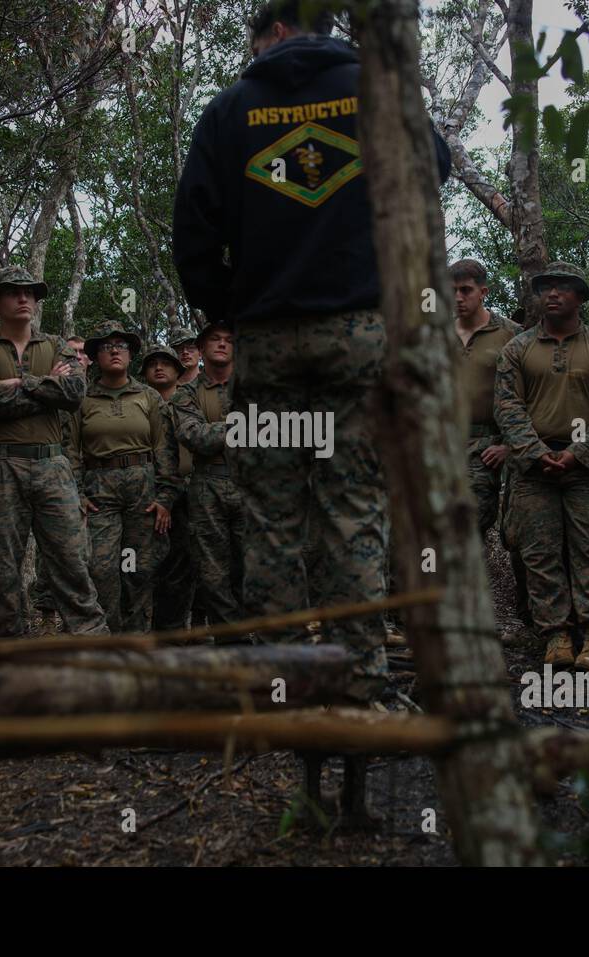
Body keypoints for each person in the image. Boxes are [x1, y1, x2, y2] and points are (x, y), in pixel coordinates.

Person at [172, 0, 450, 694]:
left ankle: (282, 682)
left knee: (270, 512)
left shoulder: (230, 109)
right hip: (358, 331)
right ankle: (361, 681)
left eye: (254, 38)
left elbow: (193, 232)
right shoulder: (375, 89)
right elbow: (432, 169)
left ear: (274, 34)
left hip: (265, 339)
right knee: (351, 504)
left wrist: (229, 308)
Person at [0, 265, 107, 638]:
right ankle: (9, 648)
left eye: (30, 292)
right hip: (0, 464)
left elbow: (74, 394)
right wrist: (47, 386)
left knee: (71, 559)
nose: (24, 298)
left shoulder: (57, 344)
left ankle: (90, 640)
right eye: (13, 291)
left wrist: (19, 383)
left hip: (51, 464)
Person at [495, 262, 589, 672]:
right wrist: (534, 452)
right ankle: (555, 634)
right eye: (546, 287)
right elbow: (506, 405)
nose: (552, 293)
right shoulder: (516, 349)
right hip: (533, 468)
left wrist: (580, 452)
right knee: (539, 552)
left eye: (563, 287)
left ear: (580, 297)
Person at [72, 321, 178, 632]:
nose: (114, 350)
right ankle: (110, 639)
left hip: (142, 497)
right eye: (106, 346)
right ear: (95, 356)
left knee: (138, 570)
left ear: (130, 355)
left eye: (121, 346)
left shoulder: (148, 397)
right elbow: (70, 450)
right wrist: (77, 494)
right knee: (103, 569)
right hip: (99, 494)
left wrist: (165, 498)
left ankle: (137, 642)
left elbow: (165, 450)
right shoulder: (83, 399)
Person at [171, 321, 246, 628]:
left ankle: (260, 634)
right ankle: (231, 638)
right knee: (213, 571)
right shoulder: (186, 393)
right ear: (201, 349)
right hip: (207, 486)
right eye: (214, 339)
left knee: (255, 564)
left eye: (229, 339)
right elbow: (193, 436)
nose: (222, 343)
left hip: (250, 484)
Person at [452, 259, 520, 536]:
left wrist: (510, 445)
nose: (458, 297)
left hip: (485, 445)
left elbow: (531, 393)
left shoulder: (512, 334)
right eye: (452, 290)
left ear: (483, 292)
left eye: (465, 290)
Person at [142, 344, 199, 631]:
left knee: (183, 563)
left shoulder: (189, 402)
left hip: (188, 491)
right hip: (146, 493)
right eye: (153, 364)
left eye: (166, 363)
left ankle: (177, 631)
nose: (159, 367)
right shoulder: (139, 404)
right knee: (146, 564)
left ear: (178, 371)